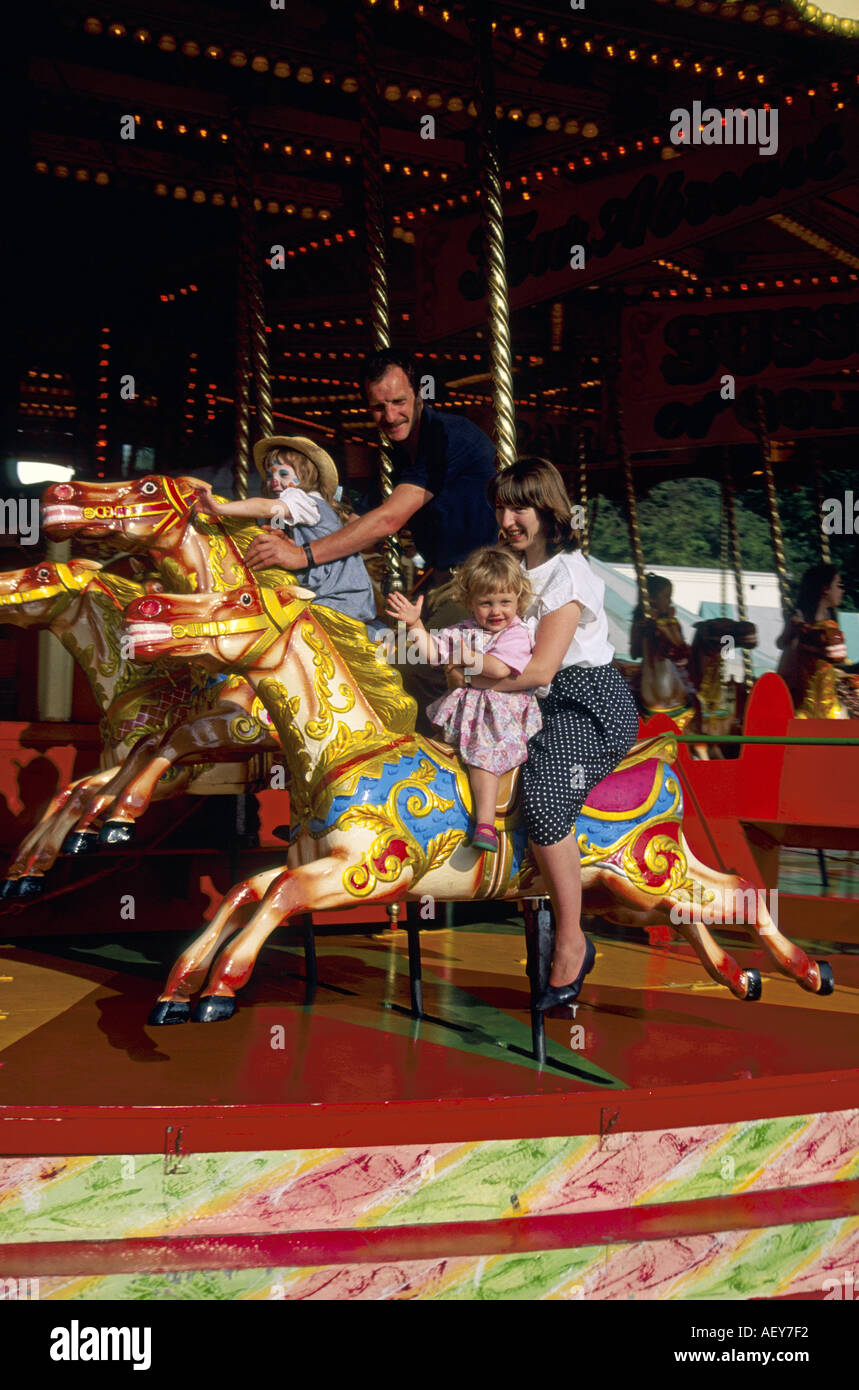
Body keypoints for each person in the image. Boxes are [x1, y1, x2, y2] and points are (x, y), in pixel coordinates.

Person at [448, 457, 639, 1010]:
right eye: (501, 508)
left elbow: (539, 672)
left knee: (547, 794)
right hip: (534, 705)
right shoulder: (511, 573)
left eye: (520, 507)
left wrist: (470, 680)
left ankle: (573, 940)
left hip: (585, 701)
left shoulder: (567, 574)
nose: (508, 518)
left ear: (548, 508)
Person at [243, 349, 499, 588]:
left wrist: (302, 555)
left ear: (420, 394)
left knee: (407, 635)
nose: (389, 416)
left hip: (485, 579)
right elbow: (359, 522)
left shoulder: (445, 437)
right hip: (444, 576)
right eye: (378, 407)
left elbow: (388, 519)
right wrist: (301, 540)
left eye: (399, 401)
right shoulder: (396, 454)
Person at [387, 547, 543, 852]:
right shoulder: (462, 630)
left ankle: (485, 824)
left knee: (482, 757)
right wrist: (415, 626)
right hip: (463, 714)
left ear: (518, 601)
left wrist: (463, 656)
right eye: (486, 603)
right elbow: (433, 653)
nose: (496, 611)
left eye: (505, 602)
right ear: (470, 603)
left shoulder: (516, 633)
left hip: (499, 720)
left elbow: (498, 668)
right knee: (431, 750)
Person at [197, 435, 377, 624]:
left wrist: (219, 508)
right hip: (329, 594)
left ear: (305, 476)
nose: (274, 481)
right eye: (269, 476)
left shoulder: (303, 499)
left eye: (283, 474)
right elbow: (274, 522)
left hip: (340, 595)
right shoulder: (291, 510)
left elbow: (267, 507)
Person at [776, 565, 859, 718]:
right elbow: (782, 643)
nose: (842, 591)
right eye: (838, 586)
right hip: (804, 688)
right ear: (825, 589)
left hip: (826, 686)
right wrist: (797, 628)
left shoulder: (830, 620)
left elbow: (835, 661)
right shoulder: (800, 618)